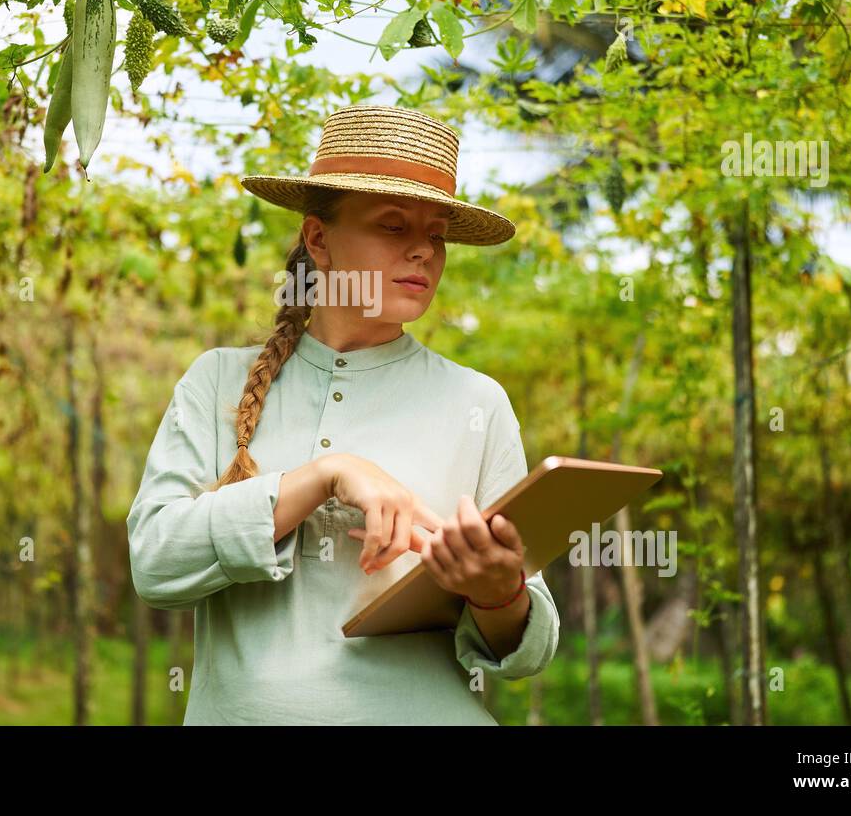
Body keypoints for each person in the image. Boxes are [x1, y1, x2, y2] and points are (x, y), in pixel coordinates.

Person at [128, 103, 560, 724]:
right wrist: (325, 475)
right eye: (392, 225)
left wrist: (500, 592)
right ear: (318, 239)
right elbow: (155, 563)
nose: (423, 252)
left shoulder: (477, 404)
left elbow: (527, 653)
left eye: (436, 234)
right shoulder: (216, 381)